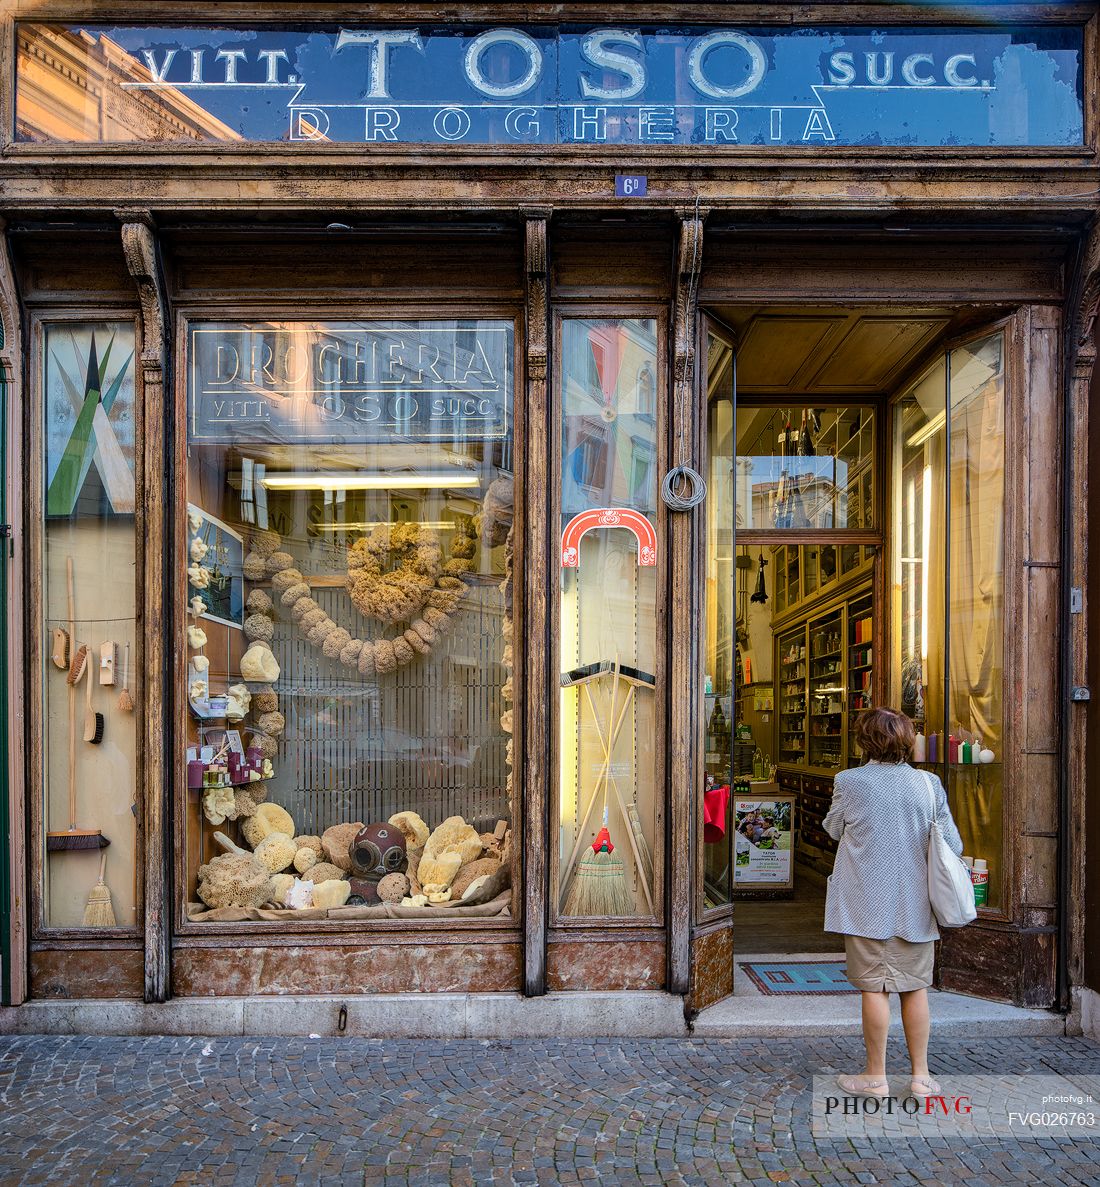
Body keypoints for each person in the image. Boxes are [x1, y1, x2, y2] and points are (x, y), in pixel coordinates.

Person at [823, 706, 964, 1100]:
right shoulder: (929, 785)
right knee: (915, 988)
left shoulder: (849, 781)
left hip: (865, 902)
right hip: (915, 903)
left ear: (864, 740)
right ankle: (921, 1076)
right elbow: (953, 845)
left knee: (873, 989)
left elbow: (834, 828)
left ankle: (875, 1076)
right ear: (907, 739)